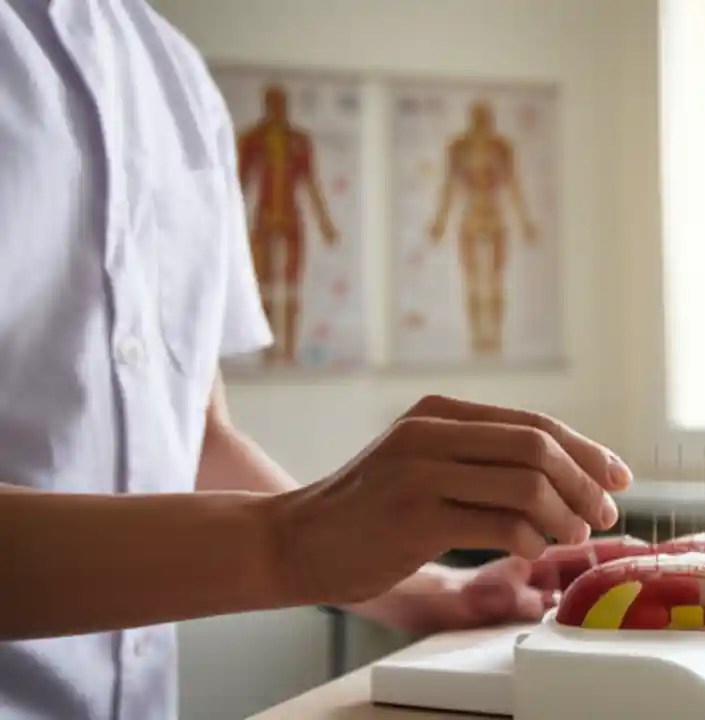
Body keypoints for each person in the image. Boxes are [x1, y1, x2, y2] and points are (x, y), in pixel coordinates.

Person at [0, 2, 632, 719]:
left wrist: (429, 591)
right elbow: (272, 531)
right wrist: (285, 546)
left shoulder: (175, 78)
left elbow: (197, 438)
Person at [237, 84, 340, 364]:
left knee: (292, 287)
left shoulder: (299, 141)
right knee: (266, 286)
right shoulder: (253, 139)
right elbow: (241, 186)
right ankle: (270, 350)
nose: (277, 109)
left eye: (280, 103)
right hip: (265, 216)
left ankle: (290, 349)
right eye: (272, 103)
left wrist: (325, 224)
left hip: (291, 217)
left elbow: (311, 184)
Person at [428, 100, 538, 355]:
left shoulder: (501, 147)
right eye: (477, 116)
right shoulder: (459, 147)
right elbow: (450, 185)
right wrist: (440, 221)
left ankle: (496, 336)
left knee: (496, 280)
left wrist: (526, 222)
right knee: (473, 280)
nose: (481, 121)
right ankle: (477, 336)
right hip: (471, 215)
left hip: (495, 215)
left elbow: (513, 185)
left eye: (484, 116)